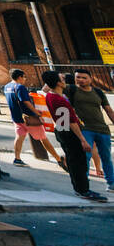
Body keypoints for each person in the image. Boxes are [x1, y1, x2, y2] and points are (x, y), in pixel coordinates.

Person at [41, 70, 107, 202]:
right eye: (62, 79)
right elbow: (70, 123)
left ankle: (80, 189)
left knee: (74, 161)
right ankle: (83, 190)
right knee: (78, 163)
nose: (65, 81)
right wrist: (82, 140)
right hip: (68, 133)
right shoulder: (59, 99)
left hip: (61, 129)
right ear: (58, 83)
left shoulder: (51, 96)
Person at [66, 68, 112, 188]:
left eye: (84, 77)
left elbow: (109, 110)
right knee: (85, 157)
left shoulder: (98, 92)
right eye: (78, 77)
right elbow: (47, 89)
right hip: (85, 129)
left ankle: (111, 183)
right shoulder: (71, 89)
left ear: (91, 79)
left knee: (106, 158)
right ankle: (84, 184)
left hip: (102, 129)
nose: (80, 80)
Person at [7, 70, 63, 167]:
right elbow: (26, 102)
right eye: (24, 77)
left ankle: (17, 158)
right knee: (43, 138)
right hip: (29, 118)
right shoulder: (20, 87)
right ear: (19, 77)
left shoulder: (7, 87)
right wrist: (37, 113)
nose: (25, 79)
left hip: (16, 117)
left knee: (19, 137)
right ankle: (58, 159)